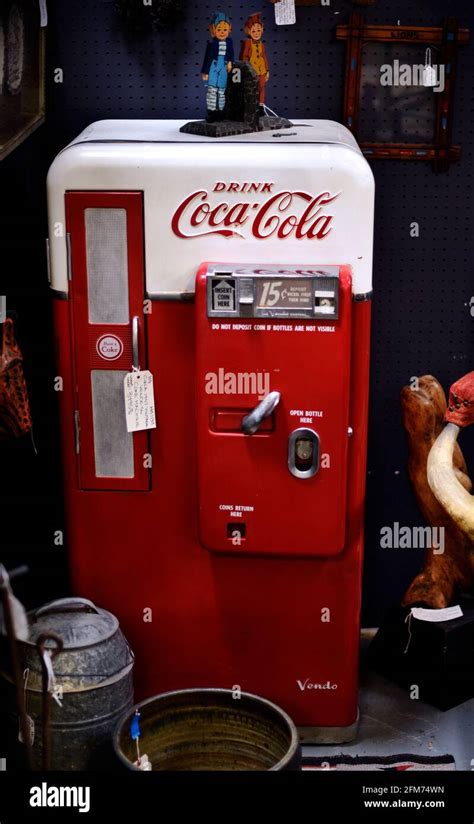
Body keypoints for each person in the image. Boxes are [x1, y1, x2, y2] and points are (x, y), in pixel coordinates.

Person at [201, 12, 234, 122]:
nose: (222, 32)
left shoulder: (229, 42)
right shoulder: (212, 43)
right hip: (213, 67)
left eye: (225, 29)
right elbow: (207, 58)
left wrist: (230, 62)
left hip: (223, 67)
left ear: (229, 29)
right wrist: (205, 72)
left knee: (221, 90)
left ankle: (220, 111)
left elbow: (231, 54)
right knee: (212, 89)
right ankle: (211, 111)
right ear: (214, 30)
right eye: (219, 29)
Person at [239, 12, 269, 116]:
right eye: (254, 30)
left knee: (261, 88)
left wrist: (267, 70)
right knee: (251, 89)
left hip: (262, 70)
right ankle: (251, 106)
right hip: (252, 71)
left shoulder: (261, 44)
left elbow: (264, 56)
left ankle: (260, 106)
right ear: (249, 31)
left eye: (258, 30)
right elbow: (244, 57)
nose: (256, 33)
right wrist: (246, 70)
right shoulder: (247, 43)